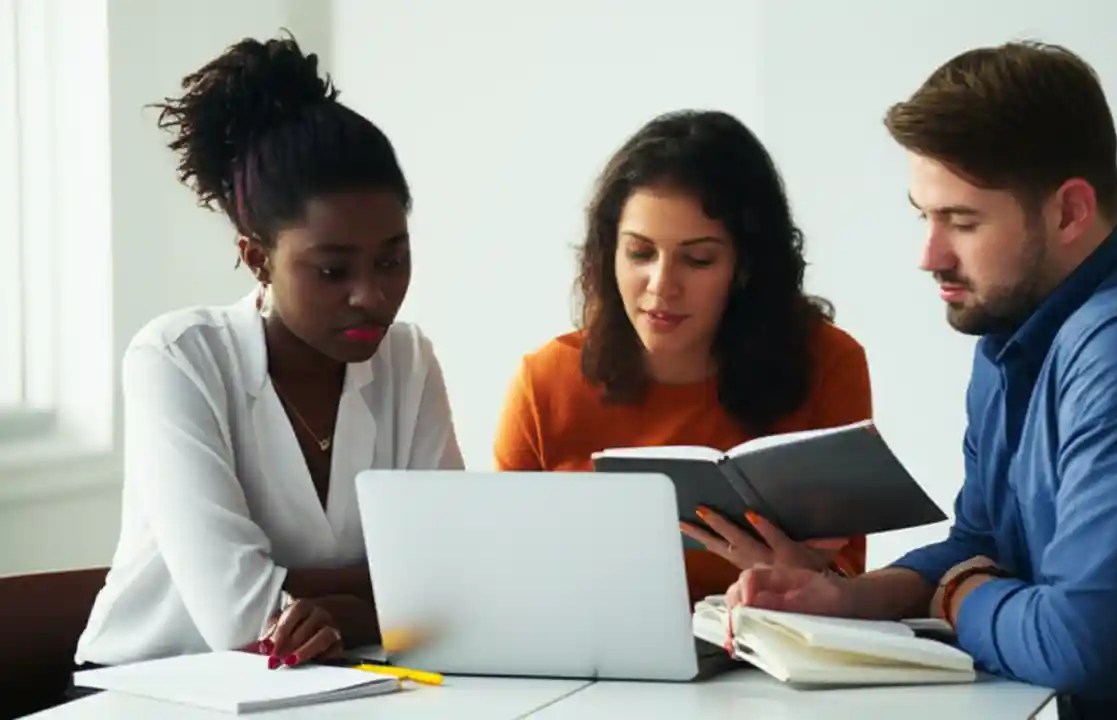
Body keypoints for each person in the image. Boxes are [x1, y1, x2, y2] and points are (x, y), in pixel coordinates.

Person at [725, 41, 1117, 717]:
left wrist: (955, 597)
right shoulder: (1011, 331)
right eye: (923, 215)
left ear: (1070, 212)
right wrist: (851, 597)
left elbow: (1085, 646)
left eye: (962, 221)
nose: (928, 255)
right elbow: (983, 545)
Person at [74, 34, 463, 671]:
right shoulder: (177, 359)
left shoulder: (408, 361)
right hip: (149, 688)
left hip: (328, 680)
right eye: (333, 271)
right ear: (258, 257)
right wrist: (379, 595)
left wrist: (336, 609)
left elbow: (456, 581)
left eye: (393, 259)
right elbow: (239, 617)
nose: (372, 295)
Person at [493, 110, 872, 603]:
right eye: (640, 253)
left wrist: (807, 583)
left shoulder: (828, 363)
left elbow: (849, 580)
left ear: (745, 267)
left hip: (761, 661)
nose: (661, 286)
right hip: (596, 661)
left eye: (698, 259)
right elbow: (499, 572)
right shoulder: (546, 380)